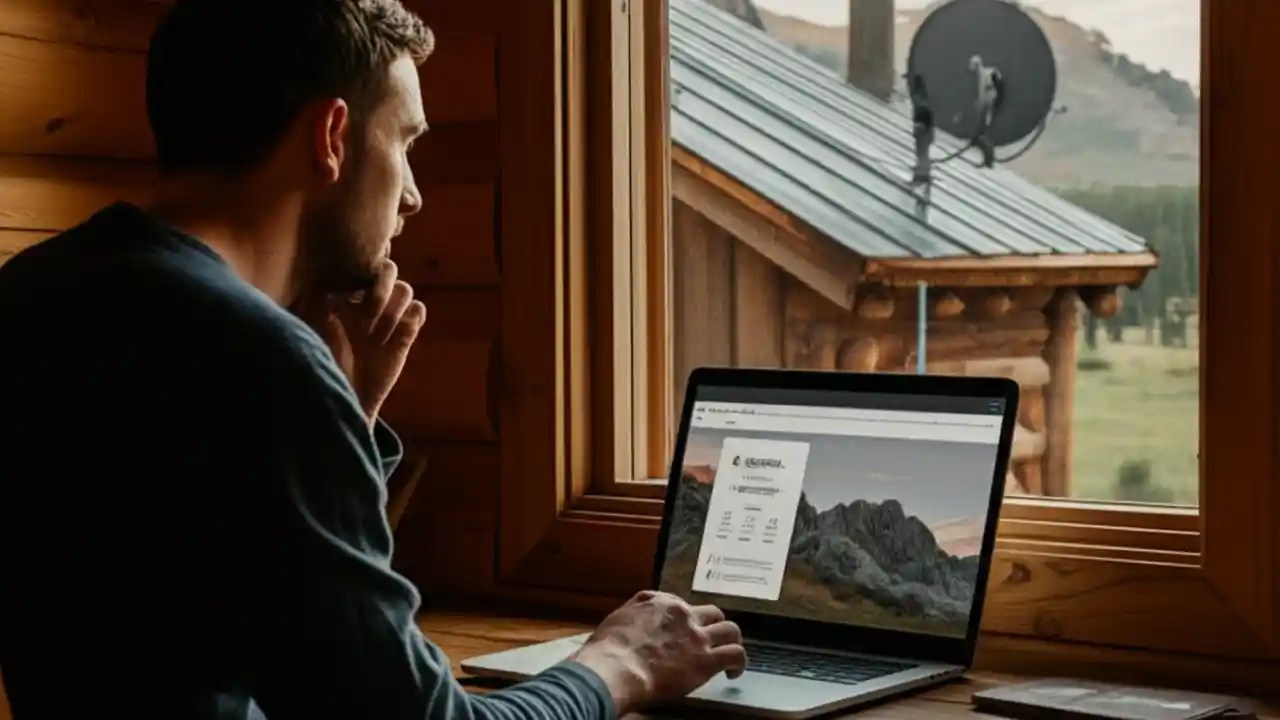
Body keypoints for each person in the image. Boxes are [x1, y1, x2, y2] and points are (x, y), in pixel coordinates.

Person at [0, 0, 746, 718]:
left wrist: (348, 419)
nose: (415, 195)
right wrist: (620, 662)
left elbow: (223, 596)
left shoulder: (35, 291)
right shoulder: (261, 363)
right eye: (406, 140)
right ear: (331, 136)